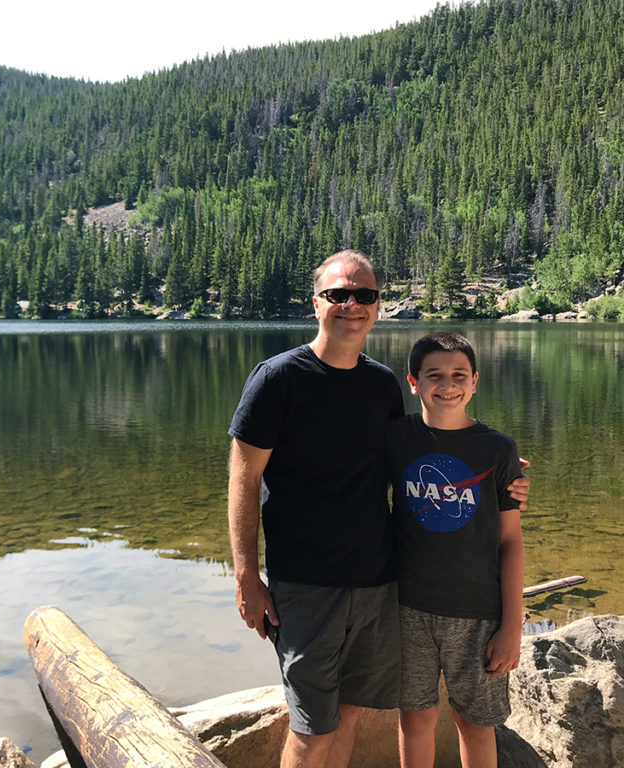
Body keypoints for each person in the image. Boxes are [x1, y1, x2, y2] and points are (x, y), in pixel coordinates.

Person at [227, 250, 530, 768]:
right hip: (306, 583)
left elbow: (415, 456)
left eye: (363, 295)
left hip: (378, 582)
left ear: (378, 305)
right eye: (337, 294)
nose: (351, 304)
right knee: (311, 728)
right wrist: (246, 577)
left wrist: (503, 476)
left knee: (349, 715)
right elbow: (243, 478)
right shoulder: (277, 379)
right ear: (315, 303)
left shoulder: (381, 384)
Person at [387, 332, 524, 768]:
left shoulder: (498, 450)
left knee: (476, 723)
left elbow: (510, 540)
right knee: (415, 719)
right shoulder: (396, 438)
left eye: (458, 375)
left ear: (476, 381)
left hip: (478, 613)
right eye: (435, 375)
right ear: (413, 382)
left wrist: (512, 627)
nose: (447, 384)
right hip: (407, 607)